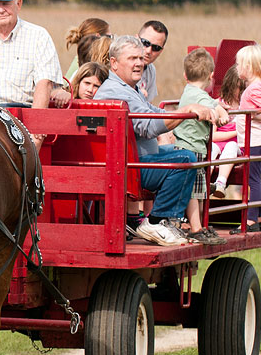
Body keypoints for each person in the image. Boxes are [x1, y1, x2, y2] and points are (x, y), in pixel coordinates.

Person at [93, 36, 219, 247]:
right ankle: (156, 221)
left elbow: (153, 112)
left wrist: (182, 112)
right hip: (127, 169)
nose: (139, 63)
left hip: (135, 162)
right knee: (185, 159)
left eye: (140, 58)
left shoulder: (129, 89)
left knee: (180, 149)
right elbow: (149, 126)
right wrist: (185, 111)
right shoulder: (116, 91)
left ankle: (166, 220)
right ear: (114, 63)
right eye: (132, 58)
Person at [171, 49, 229, 245]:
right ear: (212, 76)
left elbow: (210, 102)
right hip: (191, 149)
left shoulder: (191, 91)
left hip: (193, 147)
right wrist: (222, 114)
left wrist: (218, 106)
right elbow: (213, 109)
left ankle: (199, 226)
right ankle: (195, 228)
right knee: (194, 192)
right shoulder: (199, 96)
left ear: (185, 75)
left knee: (199, 190)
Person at [234, 44, 261, 233]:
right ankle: (260, 218)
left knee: (253, 181)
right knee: (257, 180)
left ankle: (251, 220)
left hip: (253, 141)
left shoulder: (254, 89)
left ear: (249, 67)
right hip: (260, 140)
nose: (236, 68)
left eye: (239, 65)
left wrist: (251, 115)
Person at [210, 66, 244, 197]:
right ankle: (206, 181)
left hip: (235, 145)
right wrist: (236, 132)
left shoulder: (245, 106)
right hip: (218, 142)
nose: (241, 92)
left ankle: (220, 183)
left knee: (231, 147)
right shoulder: (218, 104)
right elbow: (213, 136)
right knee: (211, 149)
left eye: (243, 88)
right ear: (230, 85)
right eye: (238, 87)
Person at [137, 20, 168, 100]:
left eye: (156, 48)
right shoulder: (121, 64)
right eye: (145, 43)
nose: (148, 51)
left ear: (161, 51)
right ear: (136, 39)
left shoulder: (151, 70)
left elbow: (148, 105)